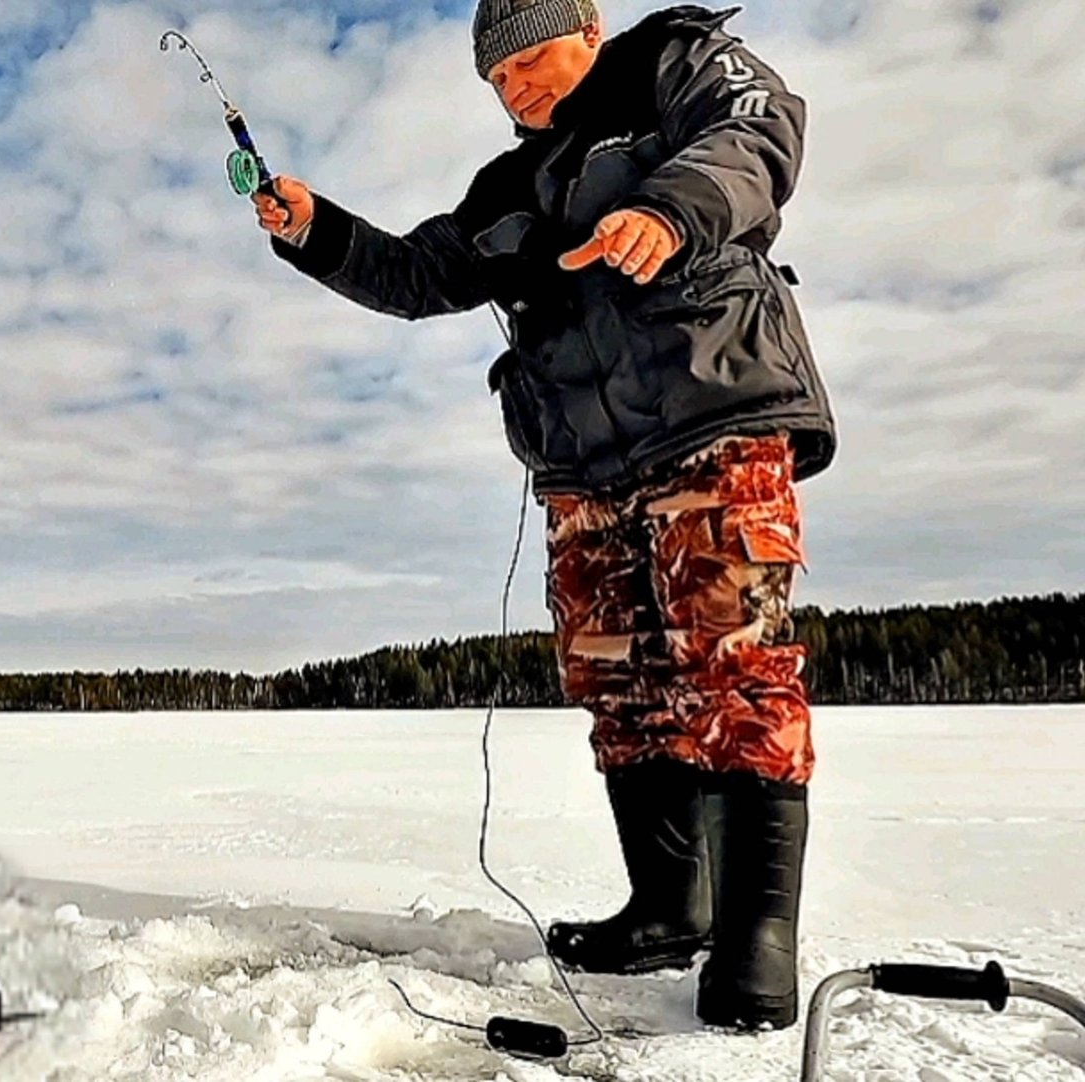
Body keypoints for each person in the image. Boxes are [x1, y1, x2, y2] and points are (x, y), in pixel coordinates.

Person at [255, 1, 837, 1031]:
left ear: (588, 28)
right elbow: (414, 273)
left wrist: (669, 212)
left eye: (531, 60)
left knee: (734, 666)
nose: (519, 89)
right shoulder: (504, 191)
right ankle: (665, 909)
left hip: (714, 412)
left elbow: (757, 133)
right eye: (500, 81)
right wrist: (315, 228)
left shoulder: (675, 66)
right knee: (619, 676)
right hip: (582, 464)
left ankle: (758, 935)